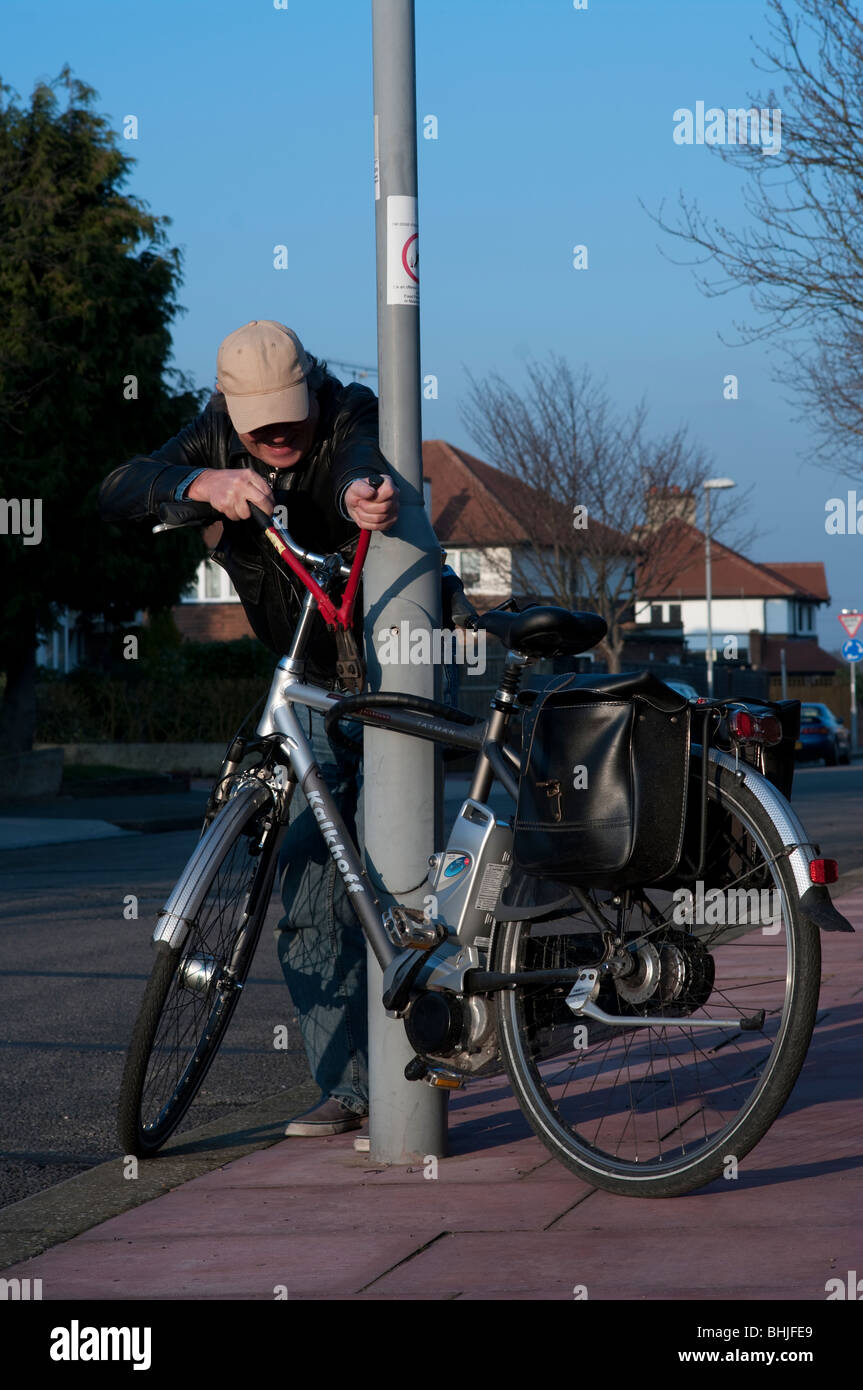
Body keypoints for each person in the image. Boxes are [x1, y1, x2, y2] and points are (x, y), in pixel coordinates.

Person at [100, 319, 399, 1135]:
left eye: (290, 417)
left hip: (393, 679)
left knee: (405, 881)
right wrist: (204, 483)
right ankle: (355, 1090)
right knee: (310, 895)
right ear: (229, 412)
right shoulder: (214, 437)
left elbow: (361, 459)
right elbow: (119, 487)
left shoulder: (348, 412)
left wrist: (359, 493)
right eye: (258, 426)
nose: (276, 437)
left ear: (313, 391)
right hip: (305, 684)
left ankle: (462, 1035)